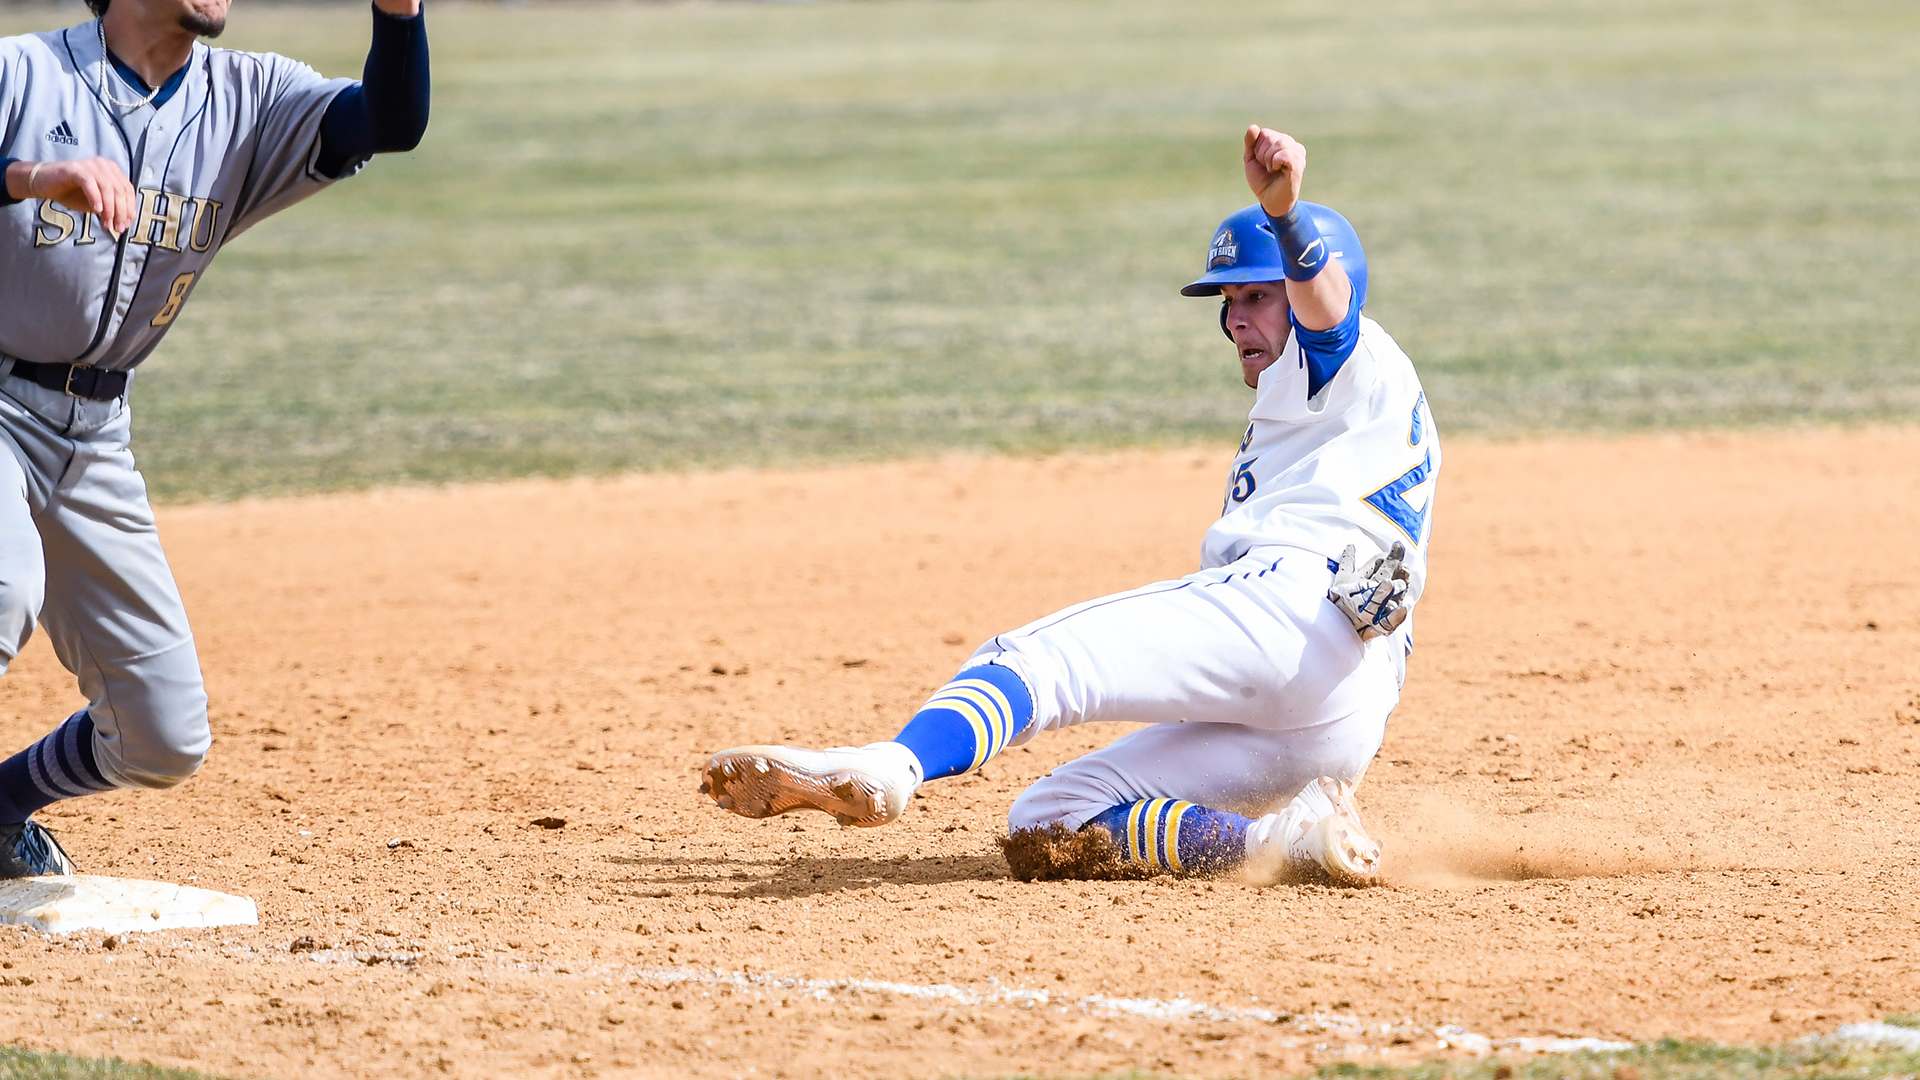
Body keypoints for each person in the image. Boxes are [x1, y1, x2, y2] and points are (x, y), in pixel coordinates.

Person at [701, 126, 1439, 885]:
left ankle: (892, 764)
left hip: (1289, 613)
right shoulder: (1345, 407)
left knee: (1031, 661)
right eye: (1229, 300)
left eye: (1258, 295)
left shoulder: (1345, 359)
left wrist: (1286, 217)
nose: (1238, 319)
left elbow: (1327, 308)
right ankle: (1286, 844)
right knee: (1052, 819)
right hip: (1343, 712)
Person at [0, 0, 430, 876]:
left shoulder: (251, 98)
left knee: (162, 735)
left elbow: (392, 122)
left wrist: (399, 10)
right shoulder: (22, 73)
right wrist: (32, 178)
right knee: (4, 584)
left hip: (95, 440)